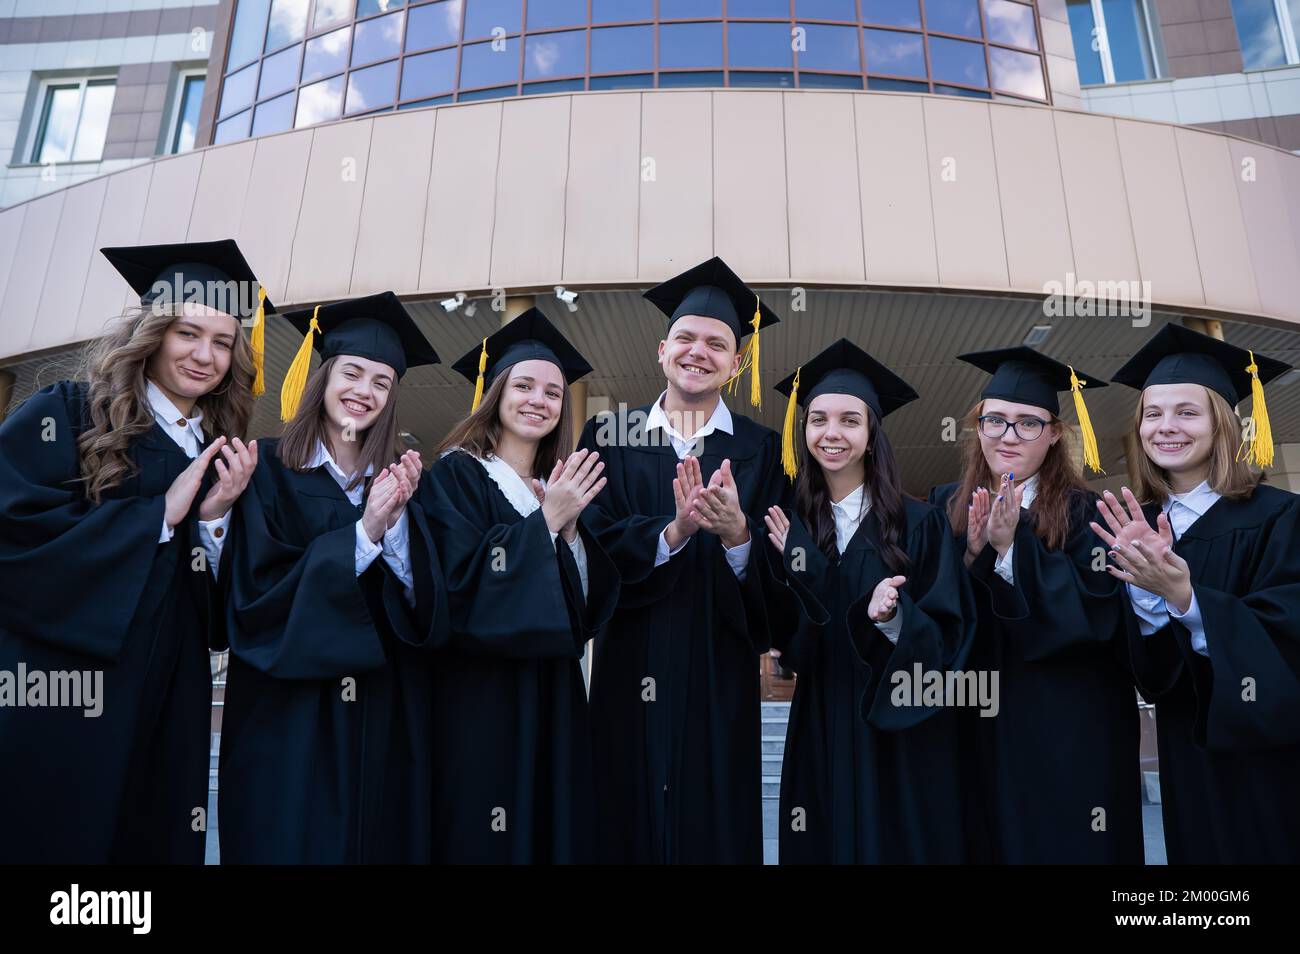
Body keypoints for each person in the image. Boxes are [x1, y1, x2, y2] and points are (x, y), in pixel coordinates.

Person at [0, 240, 265, 862]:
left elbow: (228, 602)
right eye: (187, 333)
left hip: (171, 689)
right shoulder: (70, 414)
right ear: (152, 333)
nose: (204, 355)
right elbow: (11, 529)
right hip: (68, 687)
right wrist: (158, 516)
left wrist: (214, 522)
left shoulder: (224, 454)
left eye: (222, 342)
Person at [219, 291, 445, 863]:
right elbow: (254, 594)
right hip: (289, 714)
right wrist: (363, 532)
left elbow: (428, 611)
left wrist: (393, 527)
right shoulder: (265, 468)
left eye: (381, 382)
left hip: (382, 709)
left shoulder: (405, 484)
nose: (363, 391)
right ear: (322, 377)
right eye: (351, 372)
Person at [577, 256, 786, 864]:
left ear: (736, 362)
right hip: (629, 658)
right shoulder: (608, 435)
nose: (700, 352)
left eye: (717, 343)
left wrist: (736, 537)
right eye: (687, 339)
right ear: (662, 350)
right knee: (623, 810)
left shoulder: (760, 449)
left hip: (717, 662)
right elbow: (591, 544)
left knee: (712, 816)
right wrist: (671, 533)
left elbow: (776, 558)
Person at [761, 338, 975, 863]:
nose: (831, 434)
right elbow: (781, 637)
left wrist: (895, 620)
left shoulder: (919, 523)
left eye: (850, 421)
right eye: (818, 420)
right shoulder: (788, 524)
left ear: (873, 433)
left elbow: (951, 633)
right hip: (818, 715)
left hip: (894, 727)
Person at [421, 307, 620, 863]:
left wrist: (572, 530)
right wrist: (545, 524)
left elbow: (580, 613)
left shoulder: (558, 488)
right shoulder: (457, 475)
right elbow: (458, 585)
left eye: (553, 393)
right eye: (524, 385)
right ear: (495, 394)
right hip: (481, 695)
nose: (539, 400)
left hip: (553, 691)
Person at [1097, 323, 1300, 864]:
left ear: (1223, 423)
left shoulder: (1280, 516)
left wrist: (1187, 598)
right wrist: (1143, 590)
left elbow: (1288, 633)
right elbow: (1152, 675)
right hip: (1186, 751)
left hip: (1267, 753)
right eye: (1152, 414)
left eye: (1187, 412)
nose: (1166, 428)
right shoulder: (1144, 524)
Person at [930, 347, 1141, 863]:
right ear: (977, 428)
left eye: (1028, 423)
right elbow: (934, 614)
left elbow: (1093, 616)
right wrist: (972, 558)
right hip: (974, 719)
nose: (1008, 435)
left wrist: (1008, 551)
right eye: (995, 420)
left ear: (1054, 433)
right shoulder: (944, 505)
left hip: (1064, 724)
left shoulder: (1088, 513)